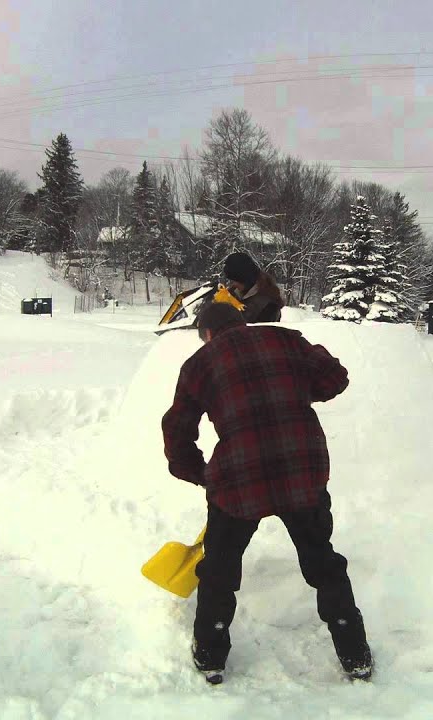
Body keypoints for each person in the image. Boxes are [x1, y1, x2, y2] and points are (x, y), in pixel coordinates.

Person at [161, 302, 371, 683]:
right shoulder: (286, 340)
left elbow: (177, 432)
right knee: (323, 562)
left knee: (219, 569)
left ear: (207, 334)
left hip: (239, 479)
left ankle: (210, 656)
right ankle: (356, 655)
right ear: (241, 322)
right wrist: (296, 378)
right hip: (301, 470)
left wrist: (200, 474)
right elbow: (335, 378)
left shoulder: (199, 365)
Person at [221, 251, 284, 323]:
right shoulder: (233, 294)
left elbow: (261, 329)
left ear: (246, 279)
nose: (234, 284)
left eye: (236, 281)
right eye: (231, 280)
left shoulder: (268, 305)